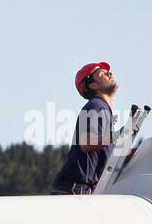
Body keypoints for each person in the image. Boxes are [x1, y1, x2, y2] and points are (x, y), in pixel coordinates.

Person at [50, 61, 118, 195]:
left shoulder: (101, 108)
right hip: (76, 190)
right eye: (102, 73)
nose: (110, 73)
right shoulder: (96, 106)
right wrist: (121, 134)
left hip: (78, 189)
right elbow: (86, 143)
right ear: (93, 85)